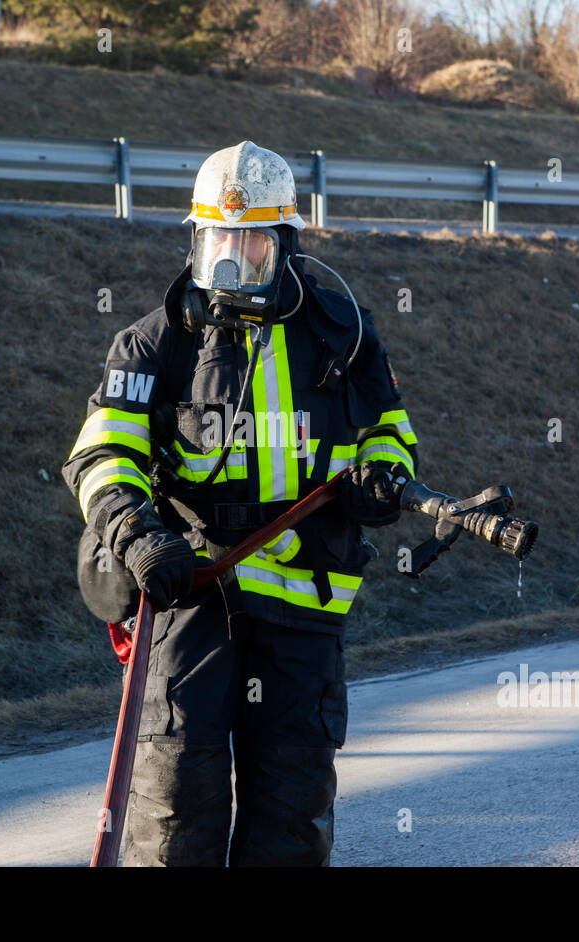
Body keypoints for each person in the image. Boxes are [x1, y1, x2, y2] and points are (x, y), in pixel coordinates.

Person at [62, 141, 419, 866]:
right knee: (174, 810)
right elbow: (100, 457)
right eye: (218, 238)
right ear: (197, 239)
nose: (232, 256)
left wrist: (381, 476)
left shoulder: (341, 335)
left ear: (284, 243)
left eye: (251, 239)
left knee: (291, 813)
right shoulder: (153, 345)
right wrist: (137, 537)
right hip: (187, 598)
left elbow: (391, 433)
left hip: (301, 609)